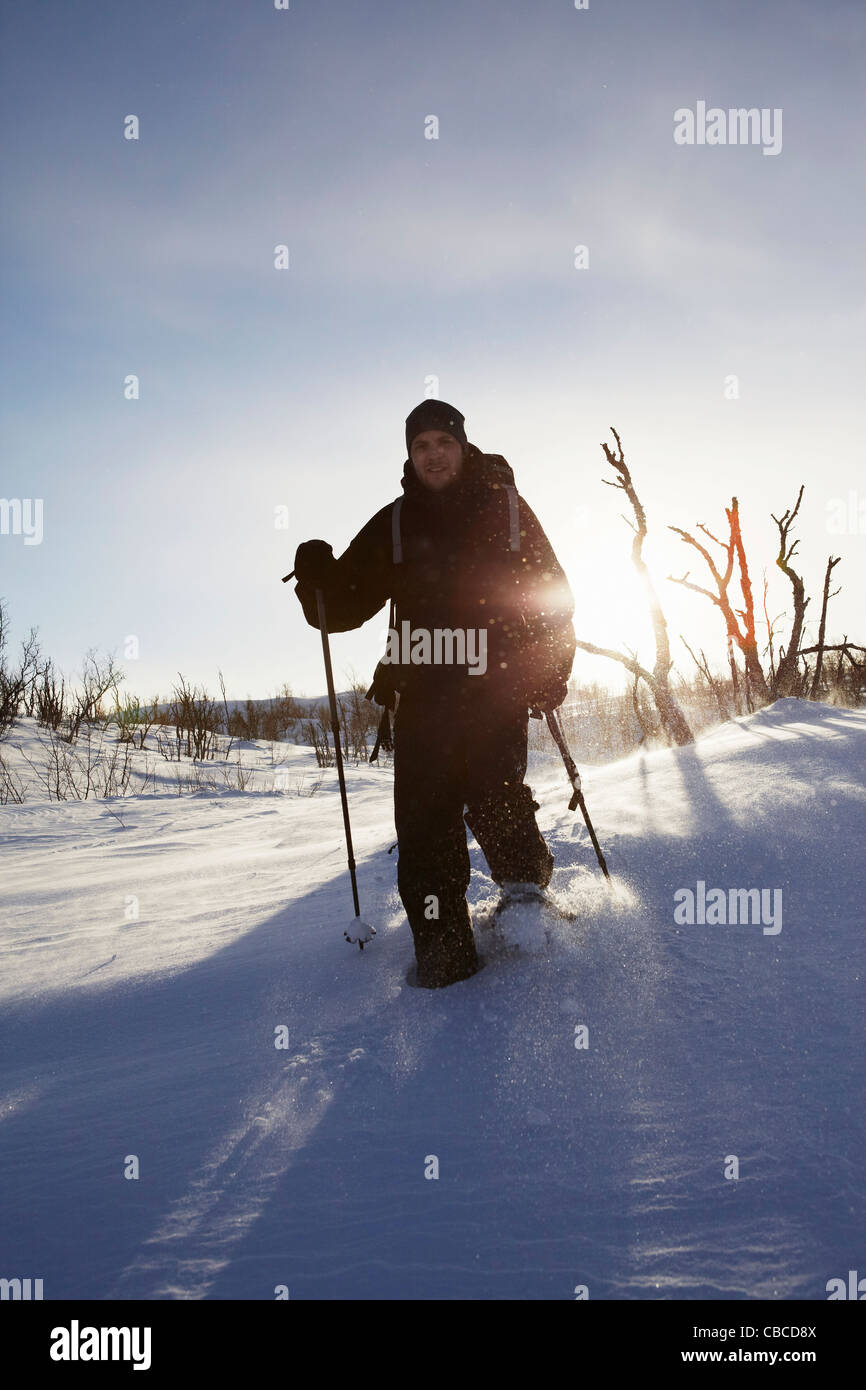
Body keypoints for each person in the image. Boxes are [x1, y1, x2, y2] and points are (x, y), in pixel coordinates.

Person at [293, 399, 576, 988]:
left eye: (442, 443)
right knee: (423, 826)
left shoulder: (506, 510)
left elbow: (552, 594)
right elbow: (345, 603)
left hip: (496, 690)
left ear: (462, 446)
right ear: (410, 456)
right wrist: (317, 580)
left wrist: (550, 668)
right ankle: (442, 946)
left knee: (497, 799)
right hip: (422, 700)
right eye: (420, 446)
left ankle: (525, 904)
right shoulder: (397, 522)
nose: (433, 455)